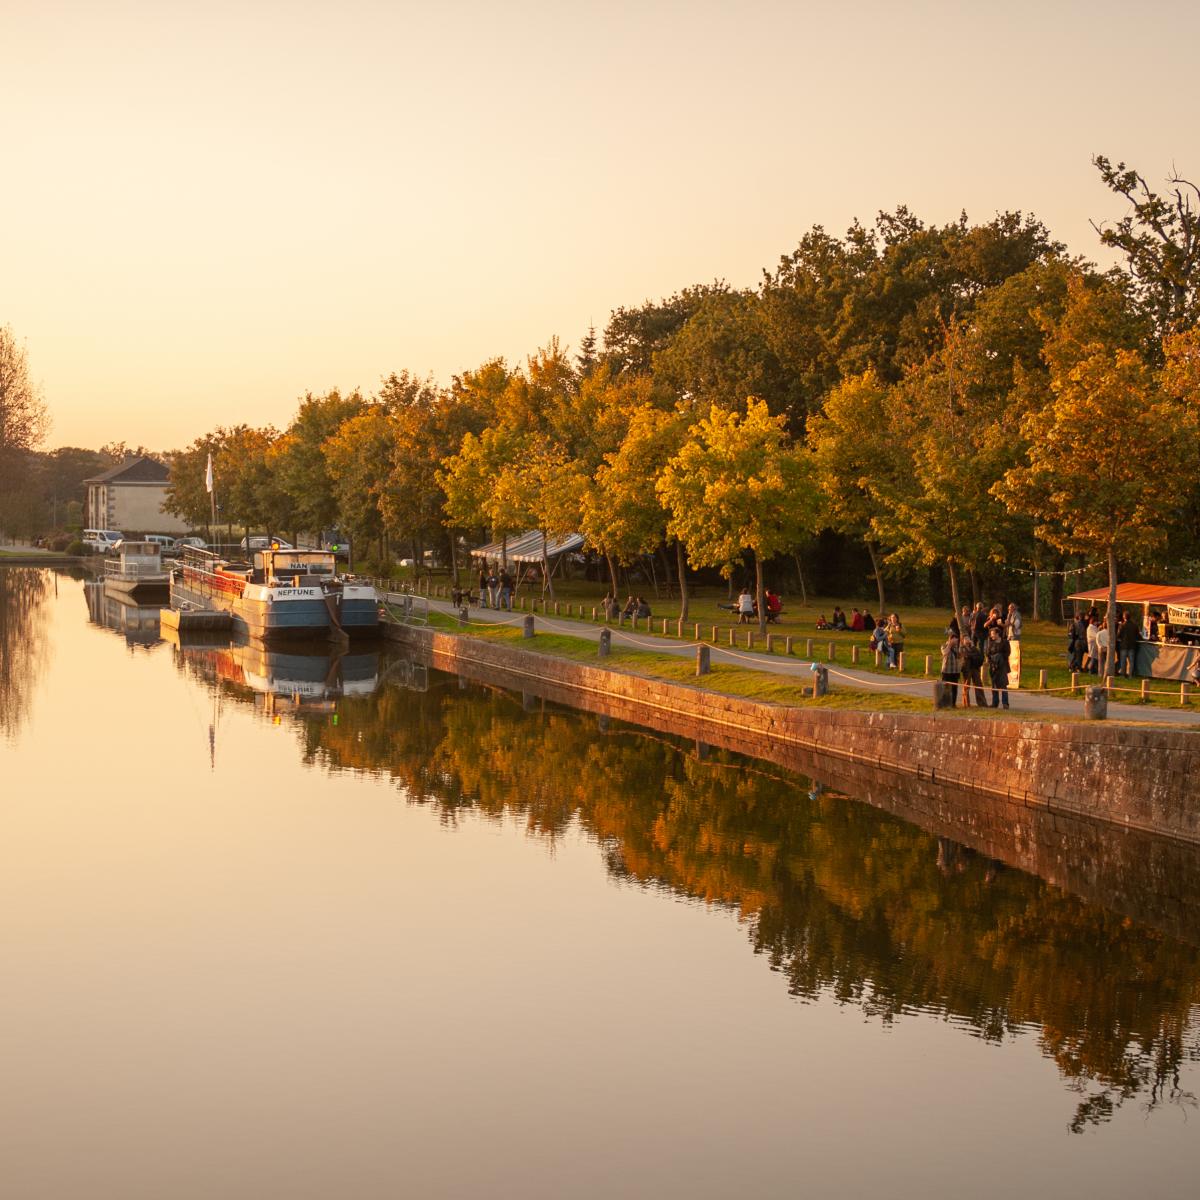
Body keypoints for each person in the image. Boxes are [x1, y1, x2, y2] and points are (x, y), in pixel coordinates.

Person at [985, 625, 1011, 709]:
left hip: (1002, 666)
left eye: (993, 634)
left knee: (1003, 685)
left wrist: (998, 657)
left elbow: (1007, 653)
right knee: (994, 685)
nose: (991, 635)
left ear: (997, 634)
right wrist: (992, 660)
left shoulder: (1005, 642)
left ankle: (1005, 703)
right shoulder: (991, 643)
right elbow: (988, 654)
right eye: (991, 634)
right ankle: (994, 703)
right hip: (993, 667)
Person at [960, 631, 987, 706]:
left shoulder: (973, 647)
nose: (967, 640)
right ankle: (966, 704)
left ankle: (982, 703)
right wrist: (973, 655)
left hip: (975, 668)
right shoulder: (962, 648)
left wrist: (972, 647)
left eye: (968, 638)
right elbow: (966, 655)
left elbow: (979, 655)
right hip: (967, 669)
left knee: (978, 685)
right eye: (965, 639)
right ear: (962, 640)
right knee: (966, 686)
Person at [940, 625, 962, 706]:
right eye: (955, 639)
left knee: (954, 689)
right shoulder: (944, 645)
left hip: (955, 671)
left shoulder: (957, 647)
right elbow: (945, 653)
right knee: (946, 688)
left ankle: (953, 704)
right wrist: (950, 644)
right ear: (951, 639)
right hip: (946, 671)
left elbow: (960, 656)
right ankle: (945, 703)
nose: (957, 641)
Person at [1117, 610, 1139, 677]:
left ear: (1124, 617)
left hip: (1123, 645)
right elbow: (1137, 635)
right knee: (1131, 662)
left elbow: (1118, 635)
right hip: (1132, 646)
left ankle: (1123, 675)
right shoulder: (1134, 625)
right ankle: (1130, 675)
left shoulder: (1122, 625)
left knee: (1123, 662)